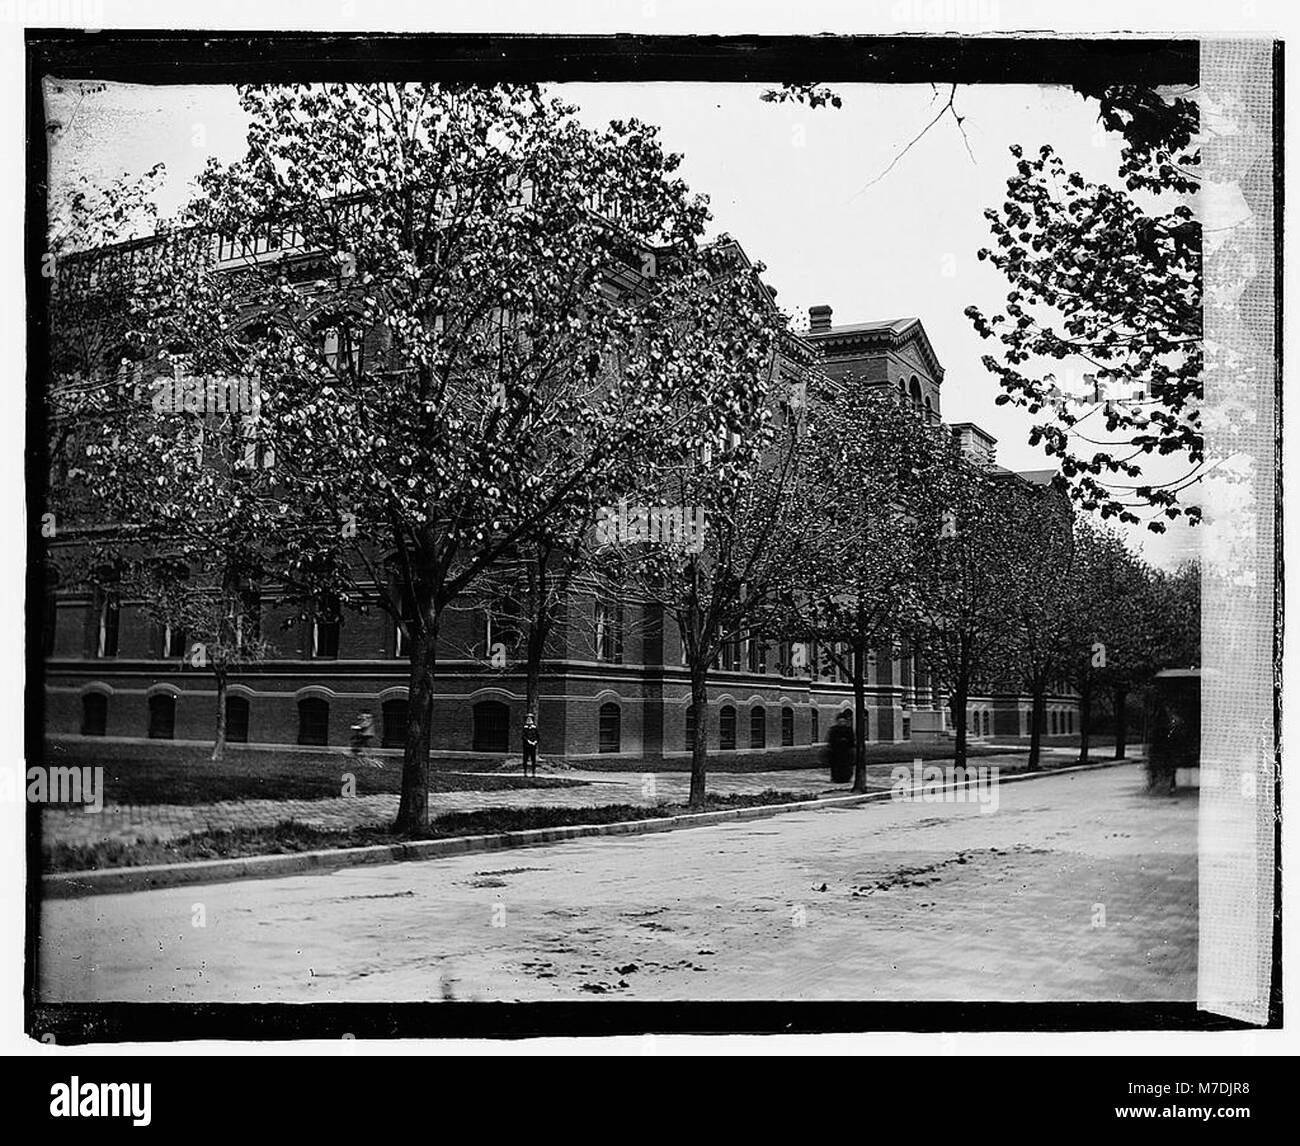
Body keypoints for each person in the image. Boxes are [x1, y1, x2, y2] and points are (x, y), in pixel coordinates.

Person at [826, 711, 854, 784]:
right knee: (836, 766)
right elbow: (831, 740)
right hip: (836, 751)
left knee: (846, 766)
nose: (842, 722)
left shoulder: (849, 730)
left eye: (843, 721)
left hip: (846, 751)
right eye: (840, 721)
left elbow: (852, 740)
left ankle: (846, 778)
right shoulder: (834, 729)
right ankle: (836, 778)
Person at [521, 712, 540, 779]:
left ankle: (533, 772)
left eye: (530, 719)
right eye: (528, 719)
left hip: (533, 746)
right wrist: (528, 741)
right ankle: (525, 772)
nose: (529, 720)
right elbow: (523, 736)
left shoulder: (535, 728)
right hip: (526, 746)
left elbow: (538, 736)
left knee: (533, 759)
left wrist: (535, 742)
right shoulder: (524, 728)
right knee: (525, 759)